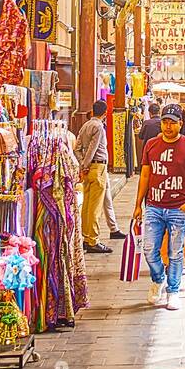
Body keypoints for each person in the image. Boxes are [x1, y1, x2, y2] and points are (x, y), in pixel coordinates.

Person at [133, 103, 185, 310]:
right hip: (154, 207)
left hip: (178, 208)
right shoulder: (151, 145)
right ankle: (158, 280)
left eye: (172, 123)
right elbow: (145, 175)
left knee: (175, 253)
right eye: (165, 122)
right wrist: (138, 204)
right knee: (149, 250)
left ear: (180, 124)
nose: (167, 126)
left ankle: (173, 291)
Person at [73, 99, 113, 253]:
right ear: (105, 112)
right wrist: (86, 165)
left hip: (88, 170)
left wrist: (82, 164)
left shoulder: (85, 126)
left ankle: (86, 237)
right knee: (95, 207)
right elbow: (92, 148)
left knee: (88, 206)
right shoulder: (98, 127)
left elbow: (77, 149)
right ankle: (93, 240)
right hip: (97, 167)